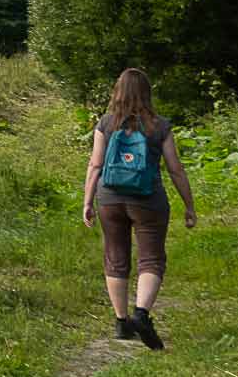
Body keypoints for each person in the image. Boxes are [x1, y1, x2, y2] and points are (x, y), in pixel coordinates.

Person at [83, 67, 195, 350]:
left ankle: (121, 323)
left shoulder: (106, 123)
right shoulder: (159, 126)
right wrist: (189, 204)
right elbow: (175, 169)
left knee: (115, 256)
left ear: (117, 91)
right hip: (148, 200)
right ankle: (141, 314)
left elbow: (95, 164)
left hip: (109, 198)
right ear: (147, 93)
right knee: (152, 259)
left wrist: (86, 201)